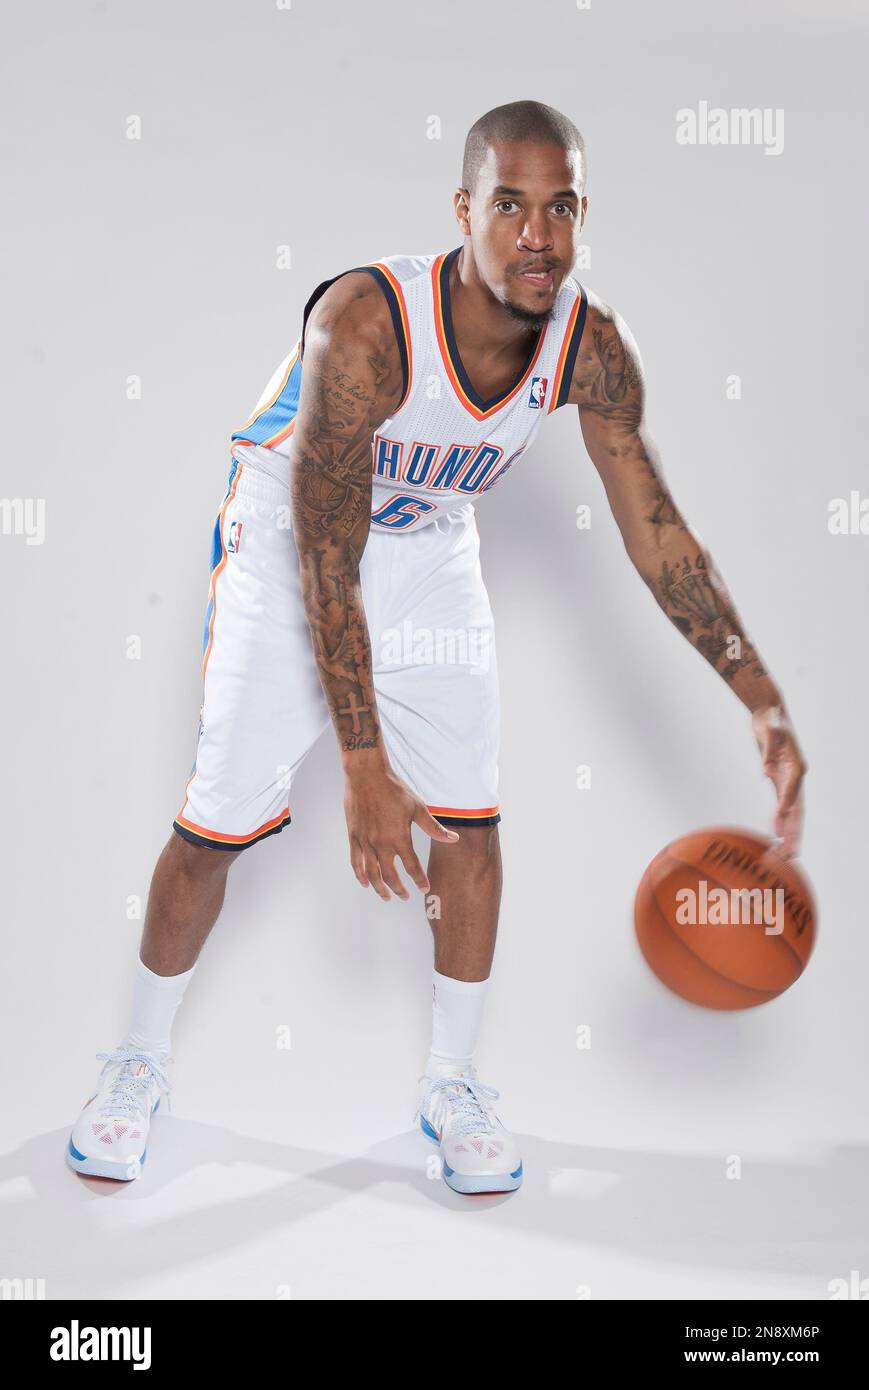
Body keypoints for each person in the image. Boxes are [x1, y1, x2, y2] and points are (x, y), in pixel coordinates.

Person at [67, 100, 807, 1194]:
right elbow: (326, 555)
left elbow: (655, 529)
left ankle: (450, 1084)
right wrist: (363, 766)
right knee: (216, 821)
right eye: (507, 205)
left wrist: (757, 692)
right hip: (293, 535)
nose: (535, 235)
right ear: (463, 210)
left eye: (559, 208)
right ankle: (135, 1060)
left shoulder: (589, 346)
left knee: (470, 821)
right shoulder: (364, 326)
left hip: (426, 545)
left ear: (581, 216)